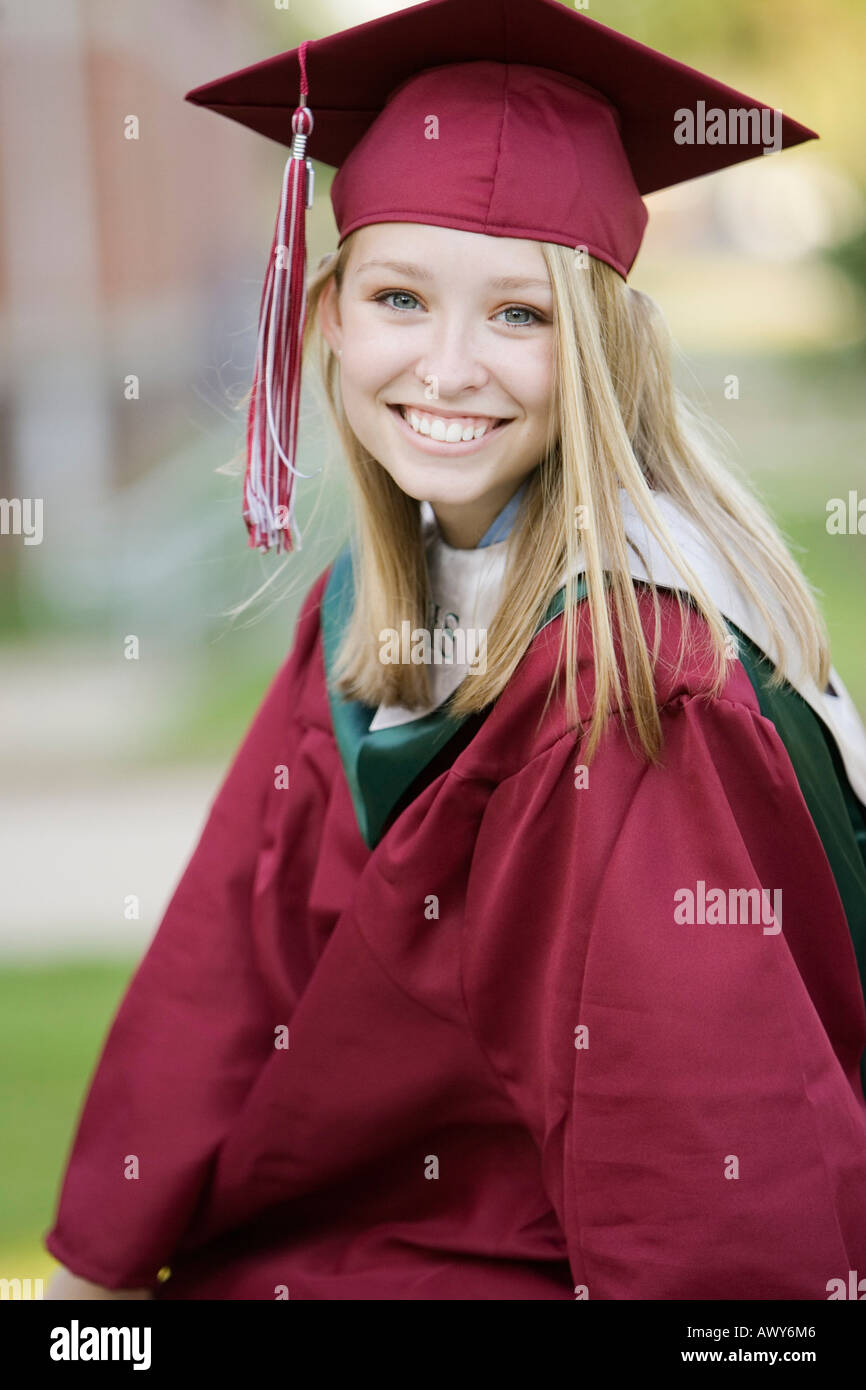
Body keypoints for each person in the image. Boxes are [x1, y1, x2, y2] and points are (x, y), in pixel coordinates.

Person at [45, 0, 866, 1301]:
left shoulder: (635, 680)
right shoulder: (369, 605)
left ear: (602, 348)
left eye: (520, 317)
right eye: (398, 297)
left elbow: (706, 1155)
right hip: (370, 1246)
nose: (446, 365)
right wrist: (93, 1281)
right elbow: (227, 957)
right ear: (325, 316)